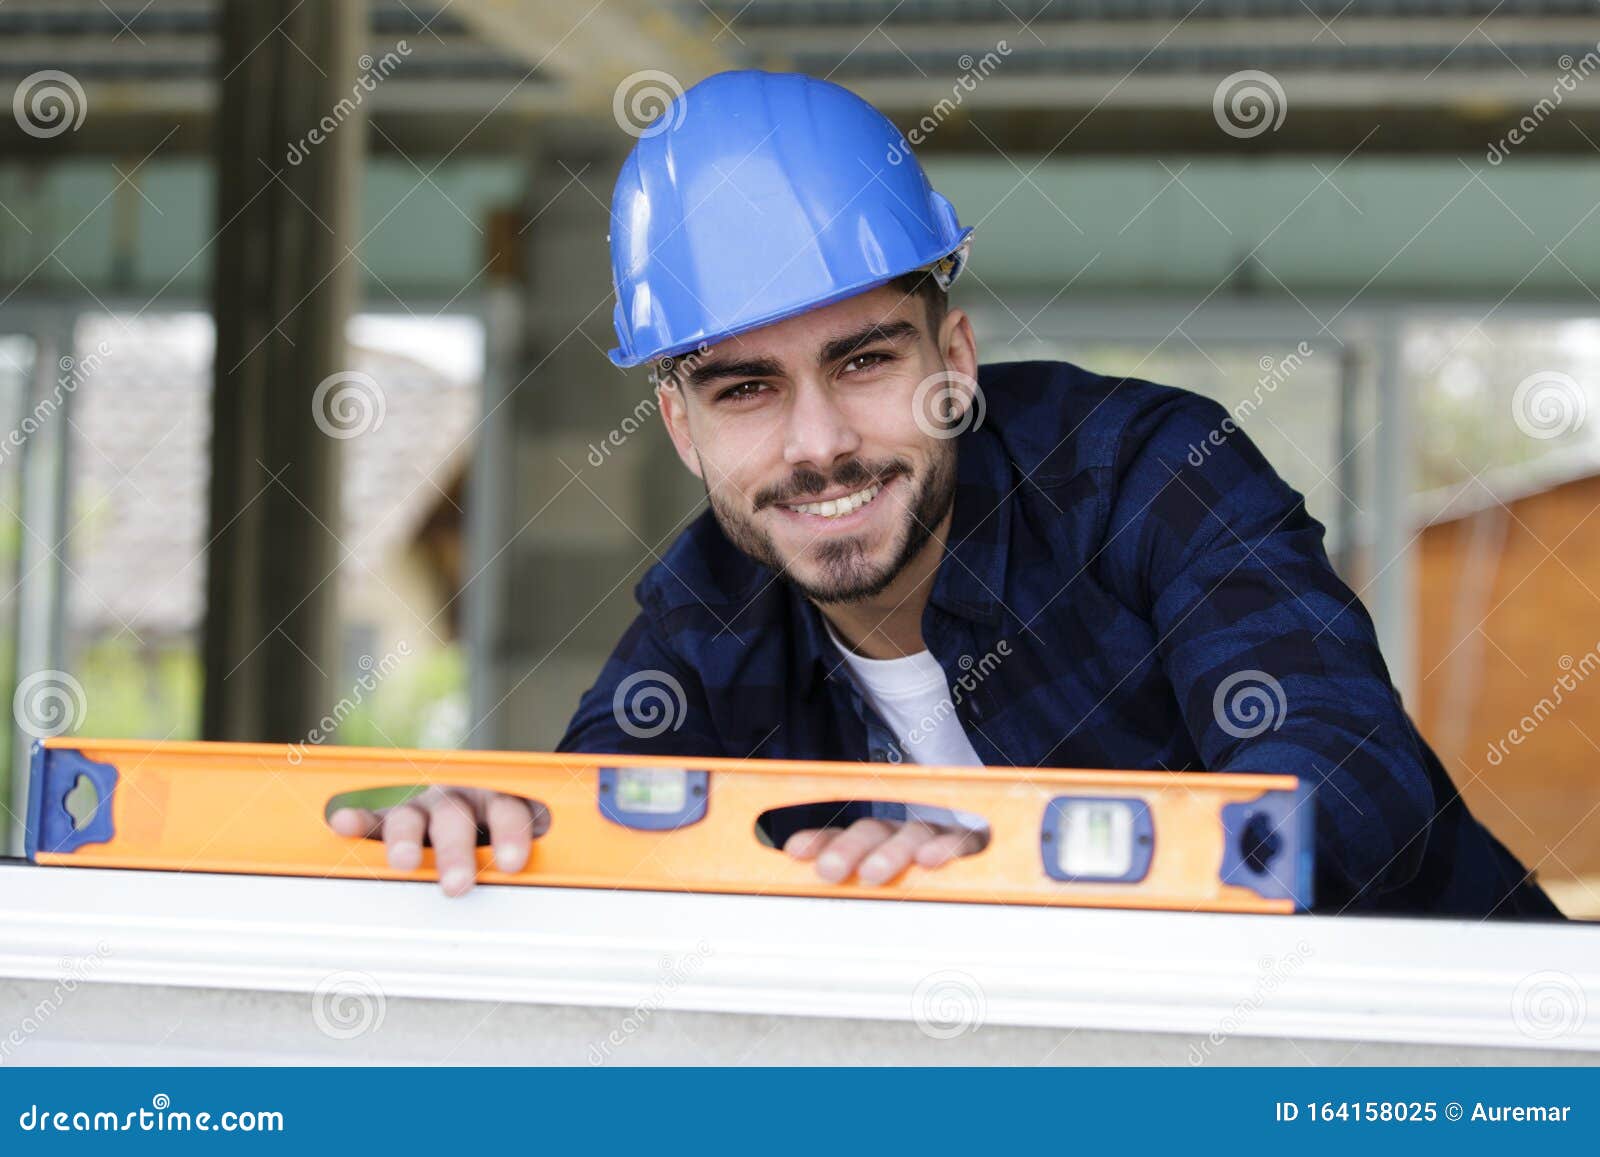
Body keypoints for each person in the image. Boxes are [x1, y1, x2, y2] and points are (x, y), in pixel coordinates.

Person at [330, 70, 1558, 919]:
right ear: (684, 430)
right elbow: (600, 824)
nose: (818, 444)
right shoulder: (705, 612)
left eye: (863, 362)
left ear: (953, 363)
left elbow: (1347, 783)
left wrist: (1021, 855)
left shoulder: (1142, 474)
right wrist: (493, 832)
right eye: (746, 389)